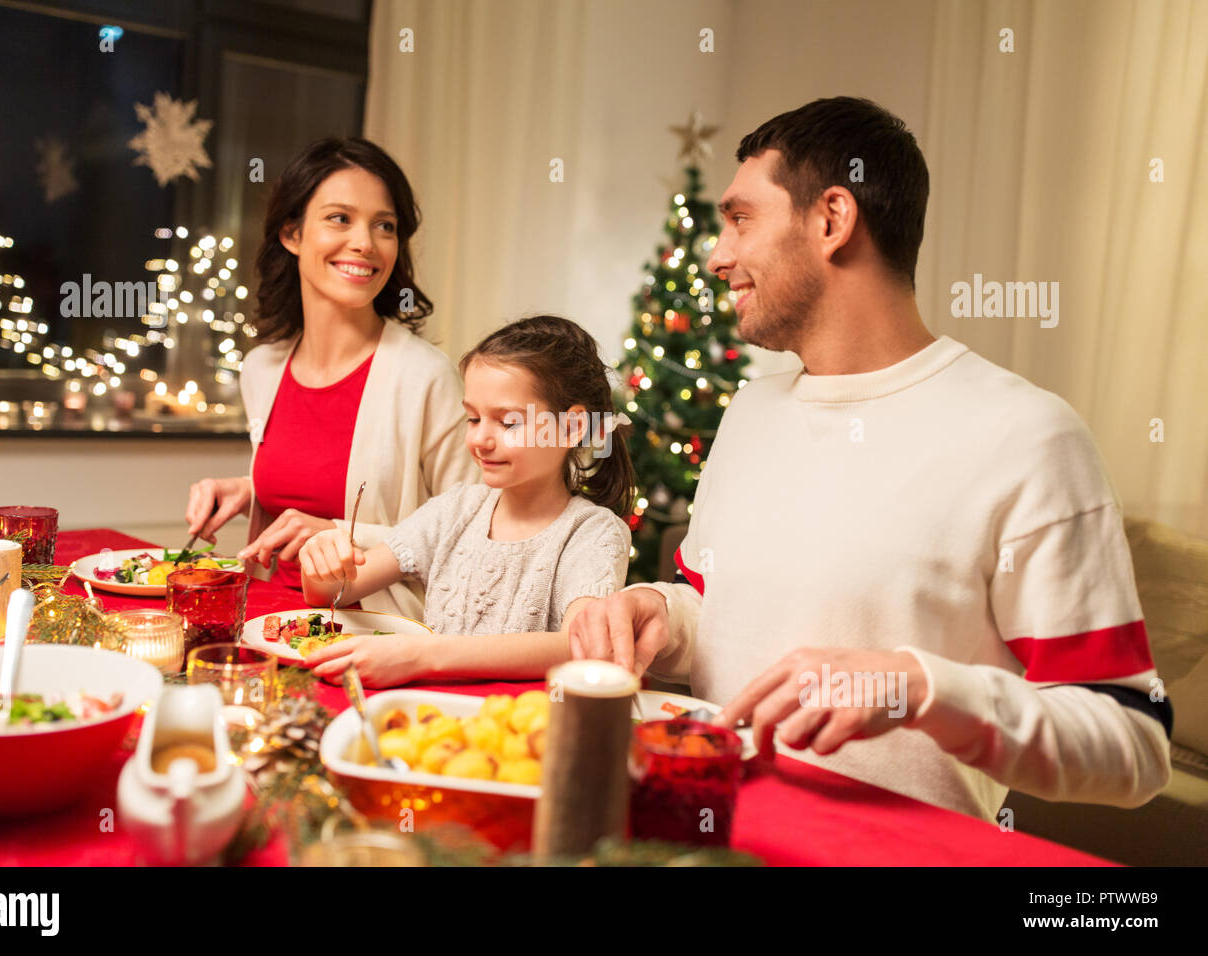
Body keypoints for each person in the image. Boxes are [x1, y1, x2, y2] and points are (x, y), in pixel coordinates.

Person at [569, 97, 1172, 822]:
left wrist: (918, 688)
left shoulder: (1030, 436)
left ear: (832, 219)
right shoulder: (752, 410)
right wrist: (663, 613)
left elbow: (1134, 748)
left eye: (739, 219)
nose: (718, 255)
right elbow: (719, 607)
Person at [184, 137, 476, 619]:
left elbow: (470, 538)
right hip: (264, 623)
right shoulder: (262, 369)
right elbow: (319, 476)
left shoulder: (426, 378)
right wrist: (250, 489)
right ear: (292, 234)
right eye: (340, 218)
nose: (365, 242)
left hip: (371, 640)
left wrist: (344, 535)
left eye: (384, 225)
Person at [299, 315, 635, 687]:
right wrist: (322, 563)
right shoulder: (456, 510)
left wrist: (422, 655)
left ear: (573, 427)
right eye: (473, 418)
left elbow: (578, 645)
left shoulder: (592, 533)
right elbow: (333, 592)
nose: (481, 440)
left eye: (508, 423)